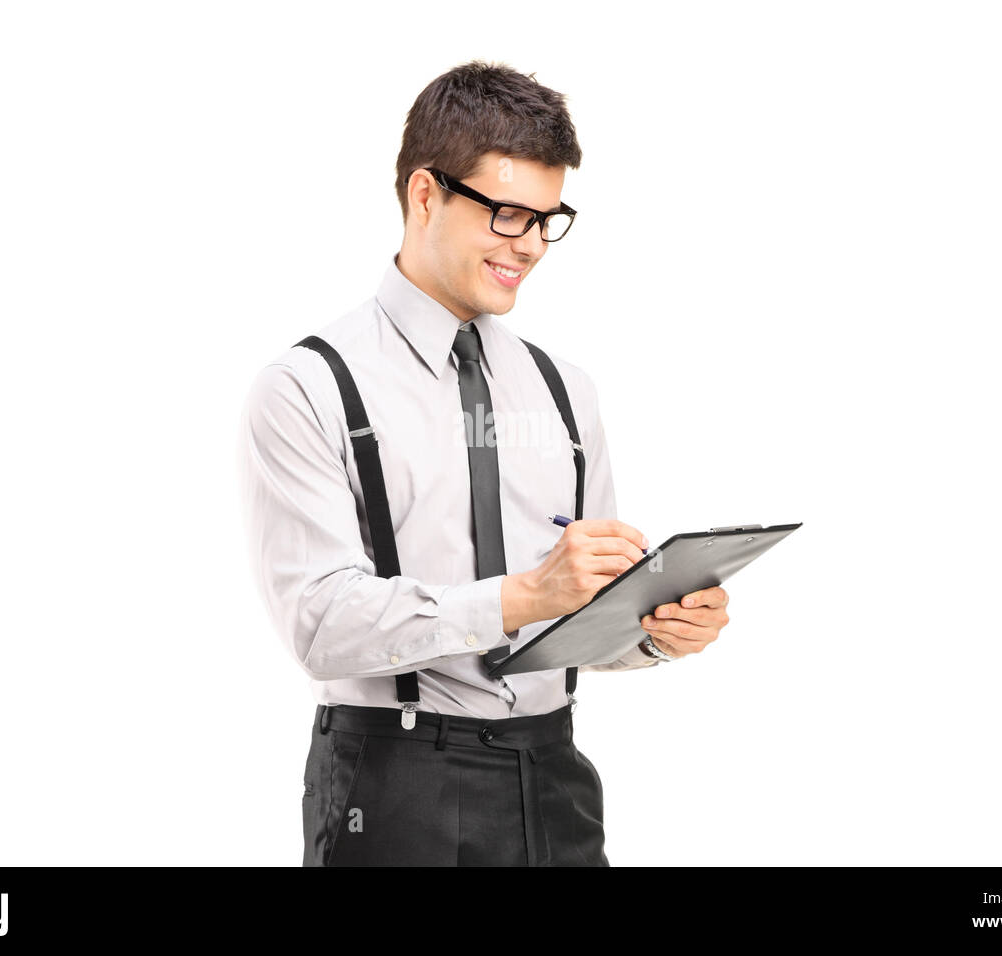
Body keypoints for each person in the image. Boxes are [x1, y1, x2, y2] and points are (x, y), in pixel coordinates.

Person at [237, 60, 731, 867]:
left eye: (548, 218)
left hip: (556, 776)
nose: (531, 246)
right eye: (507, 214)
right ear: (424, 195)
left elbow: (573, 627)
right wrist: (523, 594)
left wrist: (655, 632)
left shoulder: (565, 389)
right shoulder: (309, 387)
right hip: (393, 786)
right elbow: (320, 626)